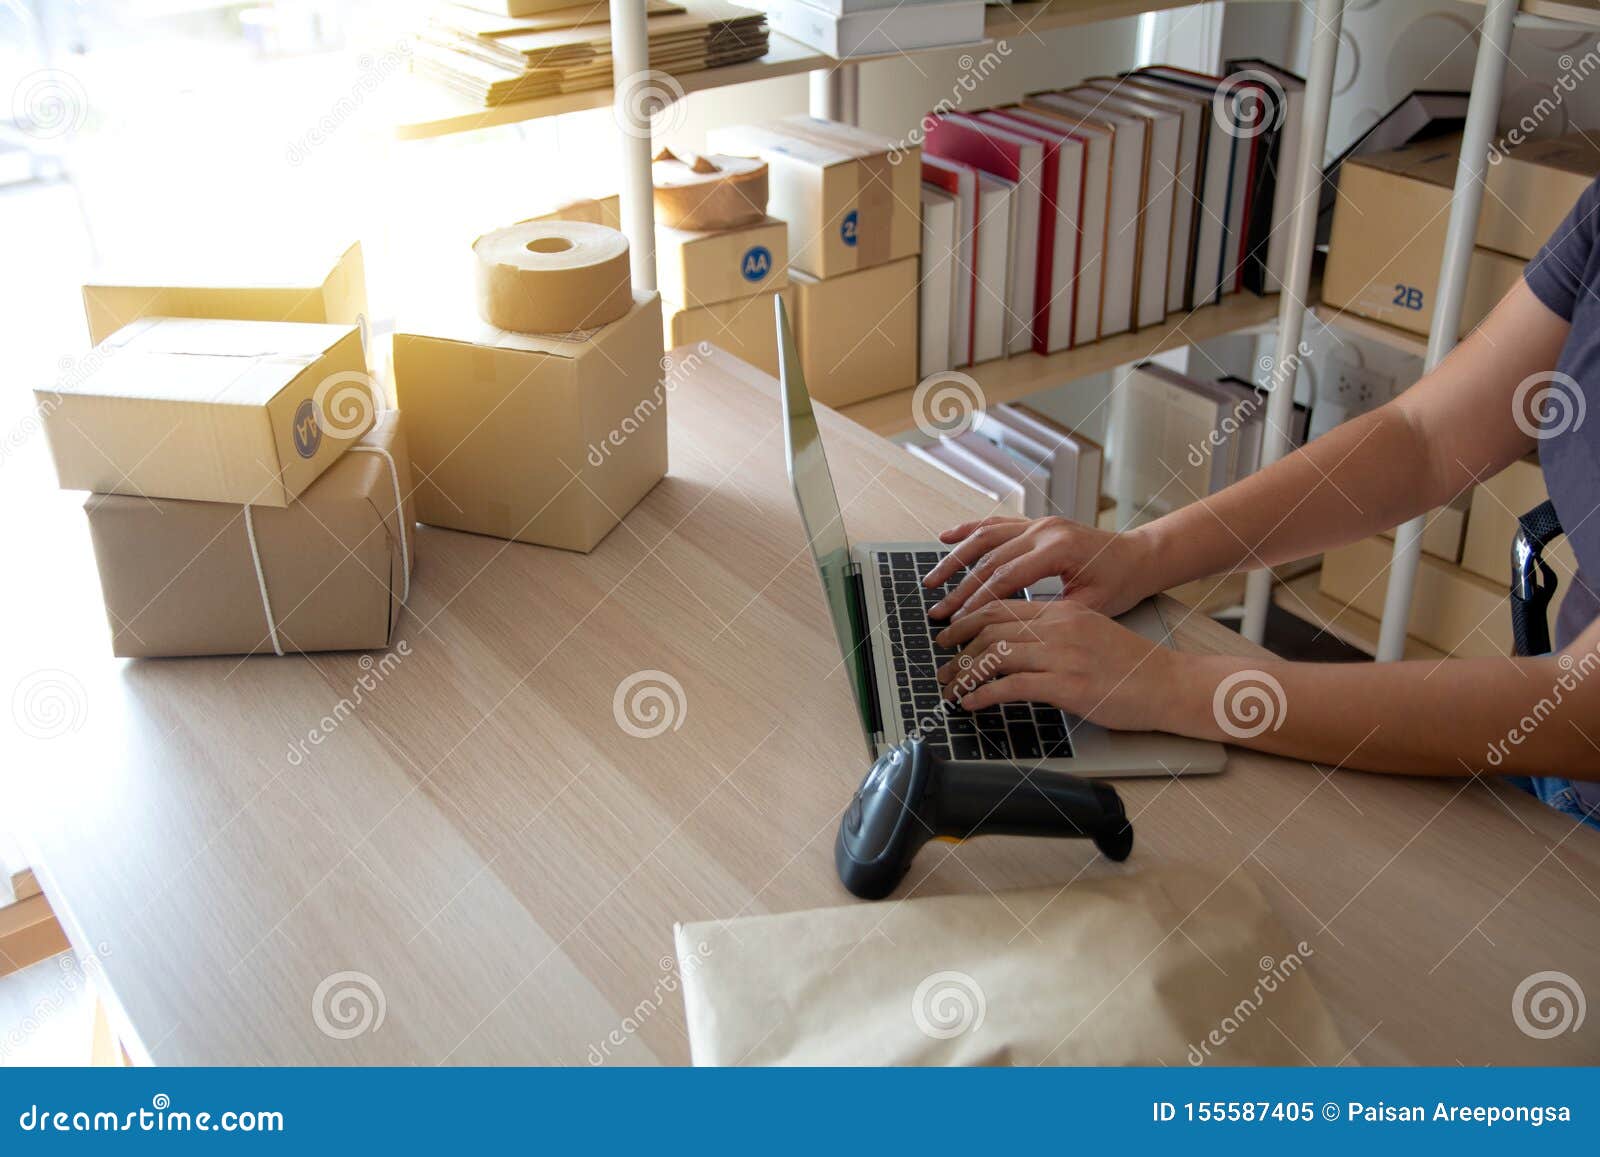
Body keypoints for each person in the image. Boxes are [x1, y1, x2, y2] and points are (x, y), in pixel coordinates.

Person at [925, 178, 1600, 828]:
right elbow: (1421, 439)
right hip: (1534, 752)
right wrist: (1143, 552)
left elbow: (1585, 712)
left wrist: (1174, 688)